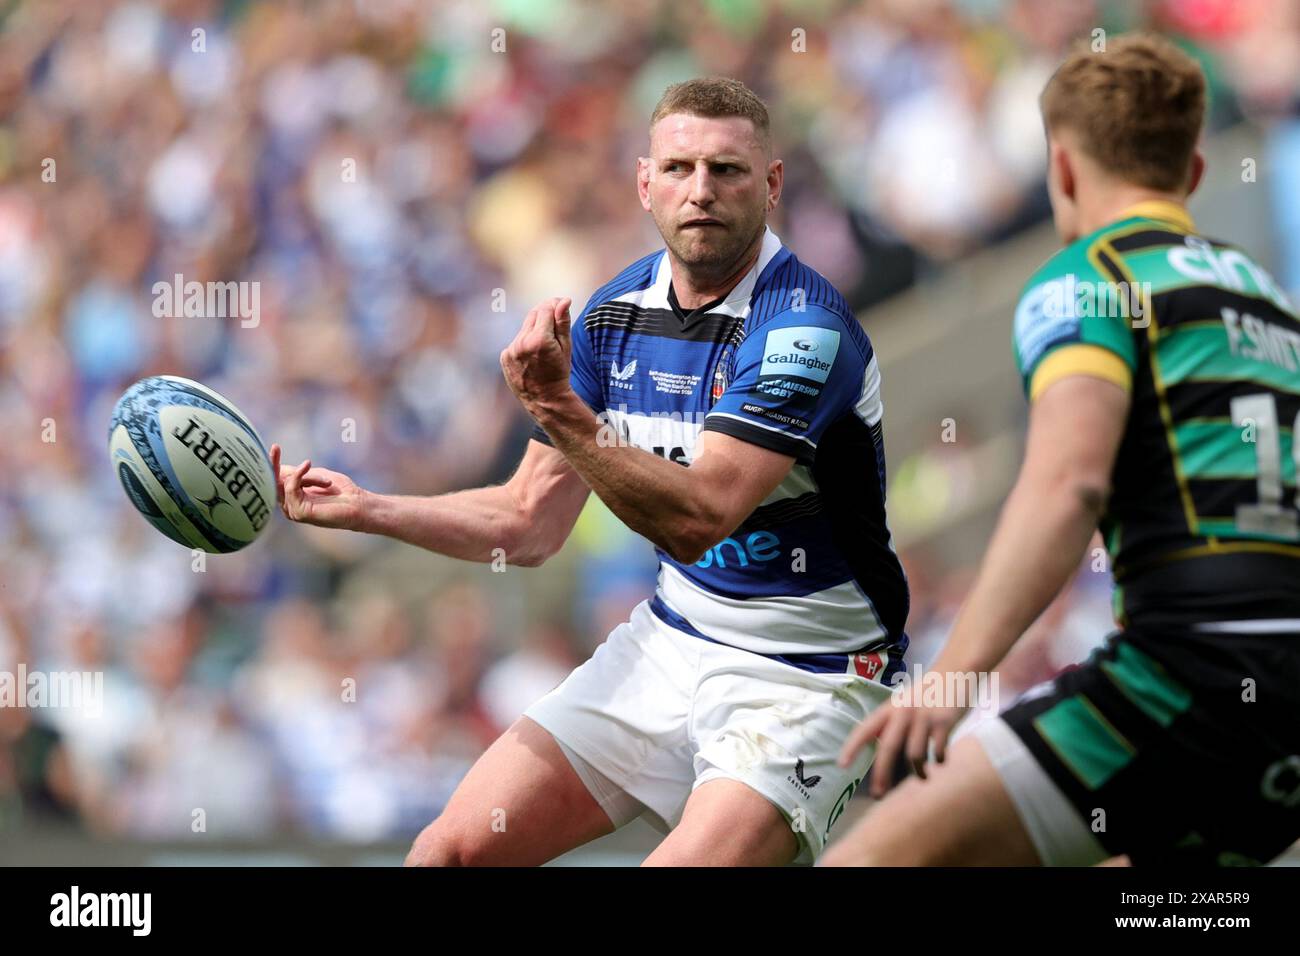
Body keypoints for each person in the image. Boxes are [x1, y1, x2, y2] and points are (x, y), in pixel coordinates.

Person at [272, 77, 909, 866]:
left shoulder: (803, 331)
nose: (700, 191)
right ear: (645, 183)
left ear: (771, 185)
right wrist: (369, 508)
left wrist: (563, 414)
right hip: (672, 640)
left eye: (728, 171)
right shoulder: (616, 313)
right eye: (678, 169)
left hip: (810, 676)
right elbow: (525, 523)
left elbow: (700, 516)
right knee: (447, 854)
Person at [823, 33, 1300, 867]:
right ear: (1191, 174)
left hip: (1189, 668)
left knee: (867, 861)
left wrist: (951, 680)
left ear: (1065, 171)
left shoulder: (1091, 277)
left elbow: (1068, 484)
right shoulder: (1265, 297)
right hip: (1281, 694)